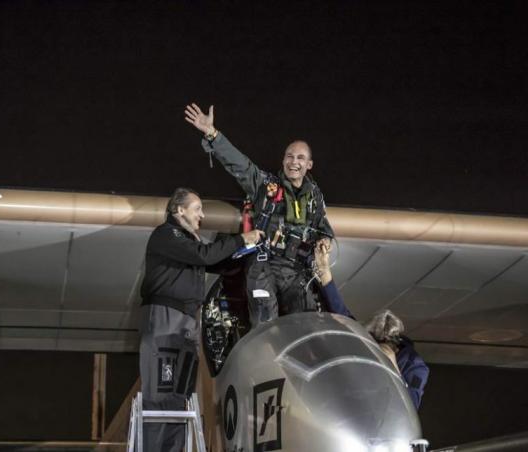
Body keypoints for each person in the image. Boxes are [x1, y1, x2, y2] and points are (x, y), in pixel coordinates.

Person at [184, 103, 334, 328]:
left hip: (295, 269)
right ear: (283, 160)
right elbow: (240, 165)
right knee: (264, 325)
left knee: (305, 325)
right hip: (263, 264)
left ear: (309, 164)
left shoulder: (315, 198)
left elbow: (324, 227)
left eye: (300, 158)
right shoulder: (266, 185)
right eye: (290, 156)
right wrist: (212, 134)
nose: (294, 162)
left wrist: (326, 240)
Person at [139, 187, 262, 452]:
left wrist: (252, 247)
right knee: (161, 395)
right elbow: (204, 255)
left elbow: (217, 261)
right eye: (197, 209)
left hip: (186, 322)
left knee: (179, 396)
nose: (202, 215)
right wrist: (241, 239)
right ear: (179, 210)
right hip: (165, 320)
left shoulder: (189, 243)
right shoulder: (166, 234)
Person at [314, 241, 430, 409]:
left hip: (384, 416)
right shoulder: (367, 345)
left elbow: (411, 406)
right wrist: (324, 270)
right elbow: (342, 315)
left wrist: (392, 365)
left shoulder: (415, 365)